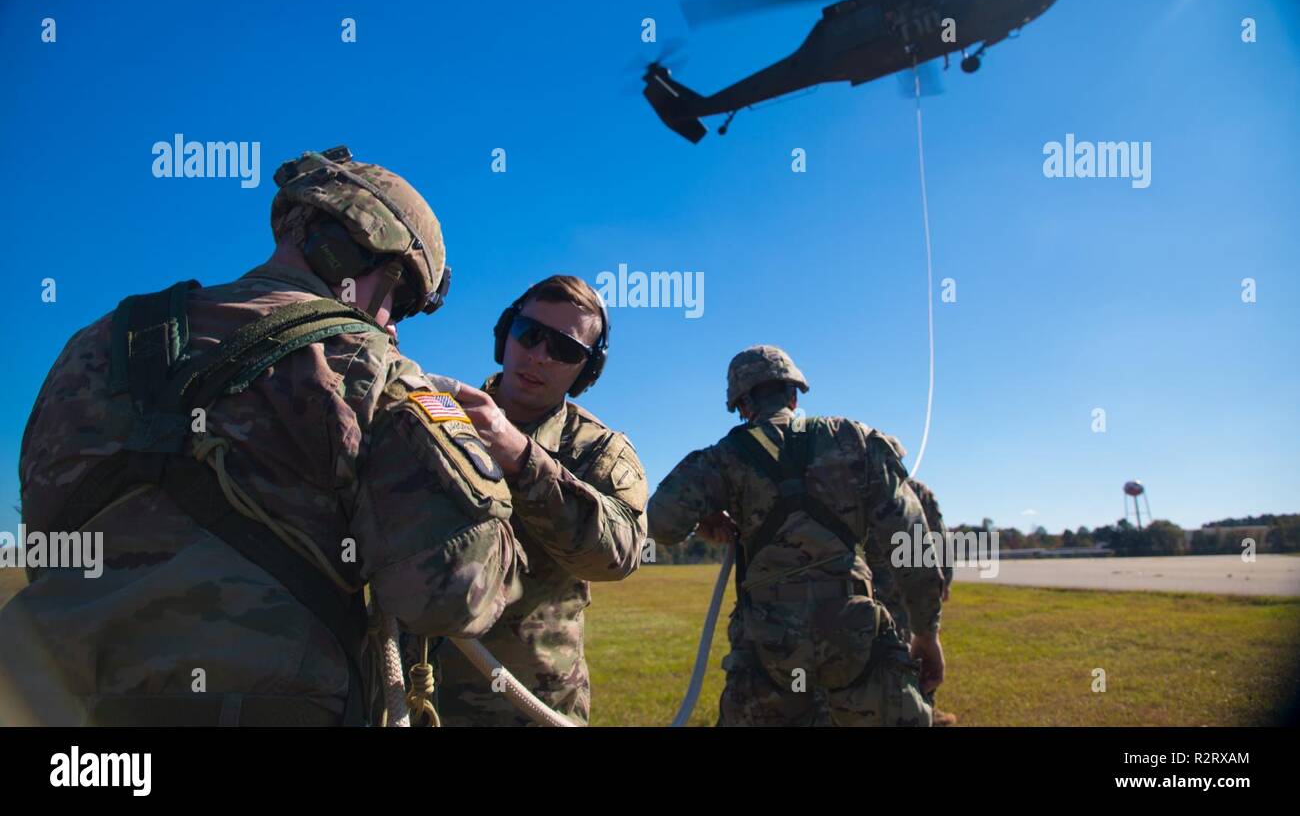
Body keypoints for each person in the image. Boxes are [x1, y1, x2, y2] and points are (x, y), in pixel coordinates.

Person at [0, 146, 522, 726]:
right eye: (399, 299)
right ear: (375, 256)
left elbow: (46, 530)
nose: (393, 324)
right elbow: (452, 591)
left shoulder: (96, 344)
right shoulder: (369, 366)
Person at [647, 345, 944, 726]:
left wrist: (706, 520)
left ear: (741, 405)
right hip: (853, 633)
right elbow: (912, 541)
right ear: (793, 394)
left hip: (769, 644)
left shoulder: (723, 458)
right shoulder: (854, 440)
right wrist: (926, 632)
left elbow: (660, 521)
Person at [430, 275, 647, 725]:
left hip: (529, 705)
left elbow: (619, 555)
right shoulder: (437, 413)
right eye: (529, 335)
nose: (539, 356)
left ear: (585, 372)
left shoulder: (601, 451)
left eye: (564, 350)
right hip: (419, 693)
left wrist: (523, 459)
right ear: (505, 334)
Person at [868, 478, 958, 726]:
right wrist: (942, 584)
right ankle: (921, 709)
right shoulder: (914, 491)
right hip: (903, 598)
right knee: (913, 663)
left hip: (859, 595)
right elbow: (938, 543)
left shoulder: (837, 475)